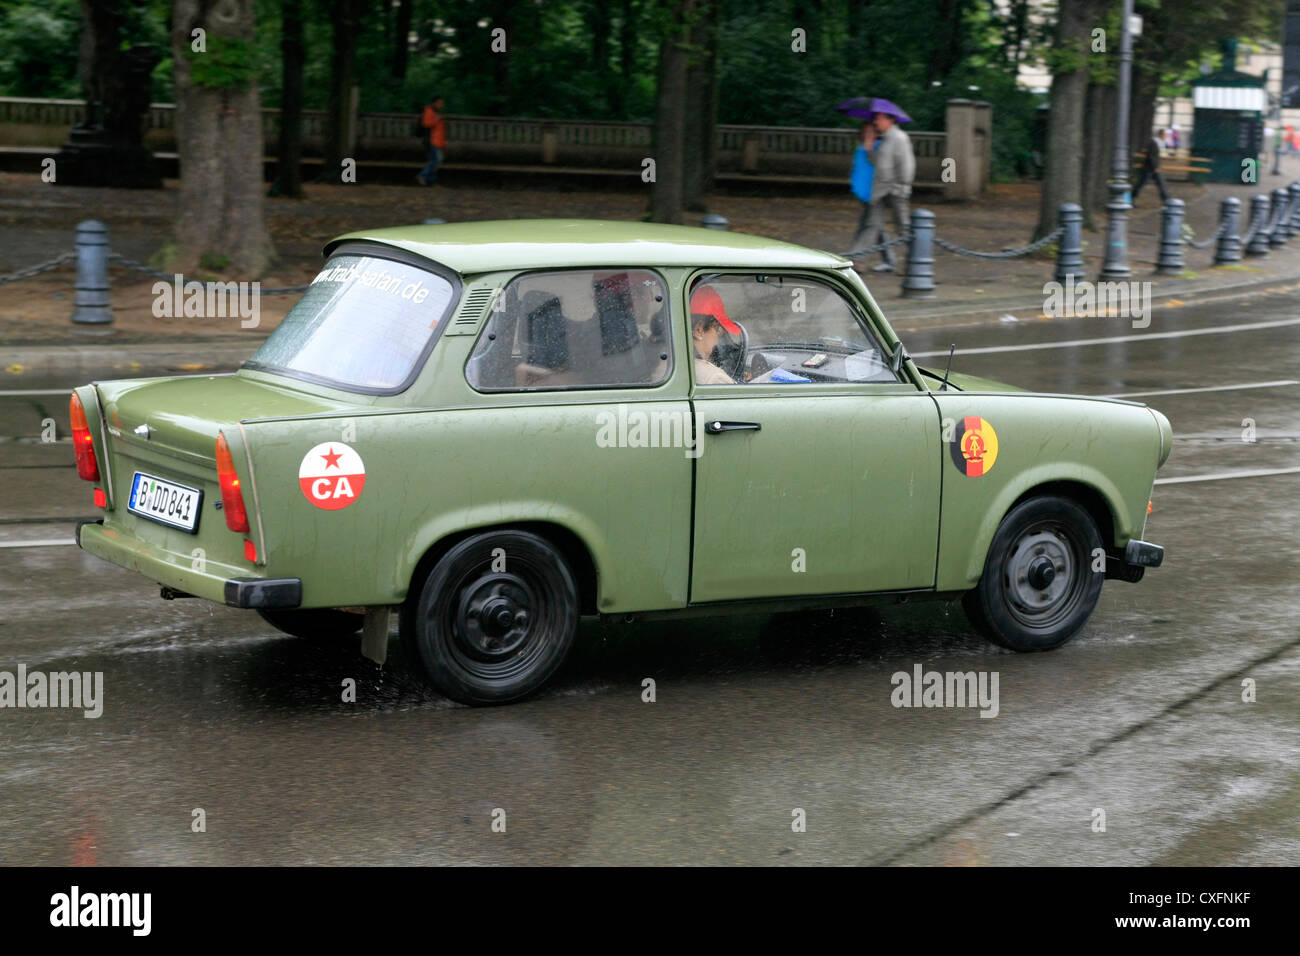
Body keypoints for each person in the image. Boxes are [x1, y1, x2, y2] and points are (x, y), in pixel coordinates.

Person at [863, 109, 915, 272]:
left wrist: (902, 186)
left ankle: (913, 264)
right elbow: (877, 163)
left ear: (890, 120)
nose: (875, 122)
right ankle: (887, 261)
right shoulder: (885, 139)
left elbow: (907, 164)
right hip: (881, 189)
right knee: (874, 225)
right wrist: (869, 146)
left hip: (895, 189)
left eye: (878, 119)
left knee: (903, 227)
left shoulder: (900, 138)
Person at [688, 286, 741, 385]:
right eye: (717, 330)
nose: (718, 340)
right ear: (699, 330)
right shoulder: (715, 378)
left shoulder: (661, 362)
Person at [849, 121, 878, 250]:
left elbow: (879, 166)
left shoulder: (878, 147)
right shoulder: (860, 147)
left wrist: (870, 150)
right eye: (866, 132)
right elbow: (858, 169)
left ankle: (857, 256)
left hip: (874, 191)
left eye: (871, 132)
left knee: (867, 224)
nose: (868, 135)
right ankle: (889, 259)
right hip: (864, 191)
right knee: (875, 225)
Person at [416, 95, 447, 186]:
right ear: (434, 103)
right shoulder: (429, 111)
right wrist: (436, 119)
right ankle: (423, 176)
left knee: (435, 160)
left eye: (442, 103)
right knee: (435, 160)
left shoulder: (436, 113)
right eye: (439, 103)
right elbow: (426, 124)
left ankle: (430, 181)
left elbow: (440, 130)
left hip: (437, 141)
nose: (441, 105)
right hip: (431, 140)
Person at [1131, 133, 1169, 204]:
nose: (1165, 137)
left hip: (1152, 168)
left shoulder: (1156, 143)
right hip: (1150, 169)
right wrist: (1155, 167)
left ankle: (1166, 200)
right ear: (1161, 135)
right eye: (1165, 135)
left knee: (1160, 184)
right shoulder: (1154, 143)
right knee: (1141, 184)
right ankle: (1131, 198)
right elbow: (1151, 156)